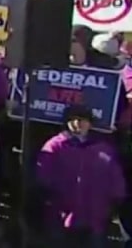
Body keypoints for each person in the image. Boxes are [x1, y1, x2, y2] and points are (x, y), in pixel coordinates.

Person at [37, 104, 126, 248]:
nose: (78, 124)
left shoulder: (104, 149)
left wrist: (115, 201)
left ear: (90, 123)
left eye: (82, 119)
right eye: (73, 120)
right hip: (63, 217)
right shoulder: (54, 146)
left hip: (95, 218)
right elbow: (43, 176)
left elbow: (115, 177)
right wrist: (49, 198)